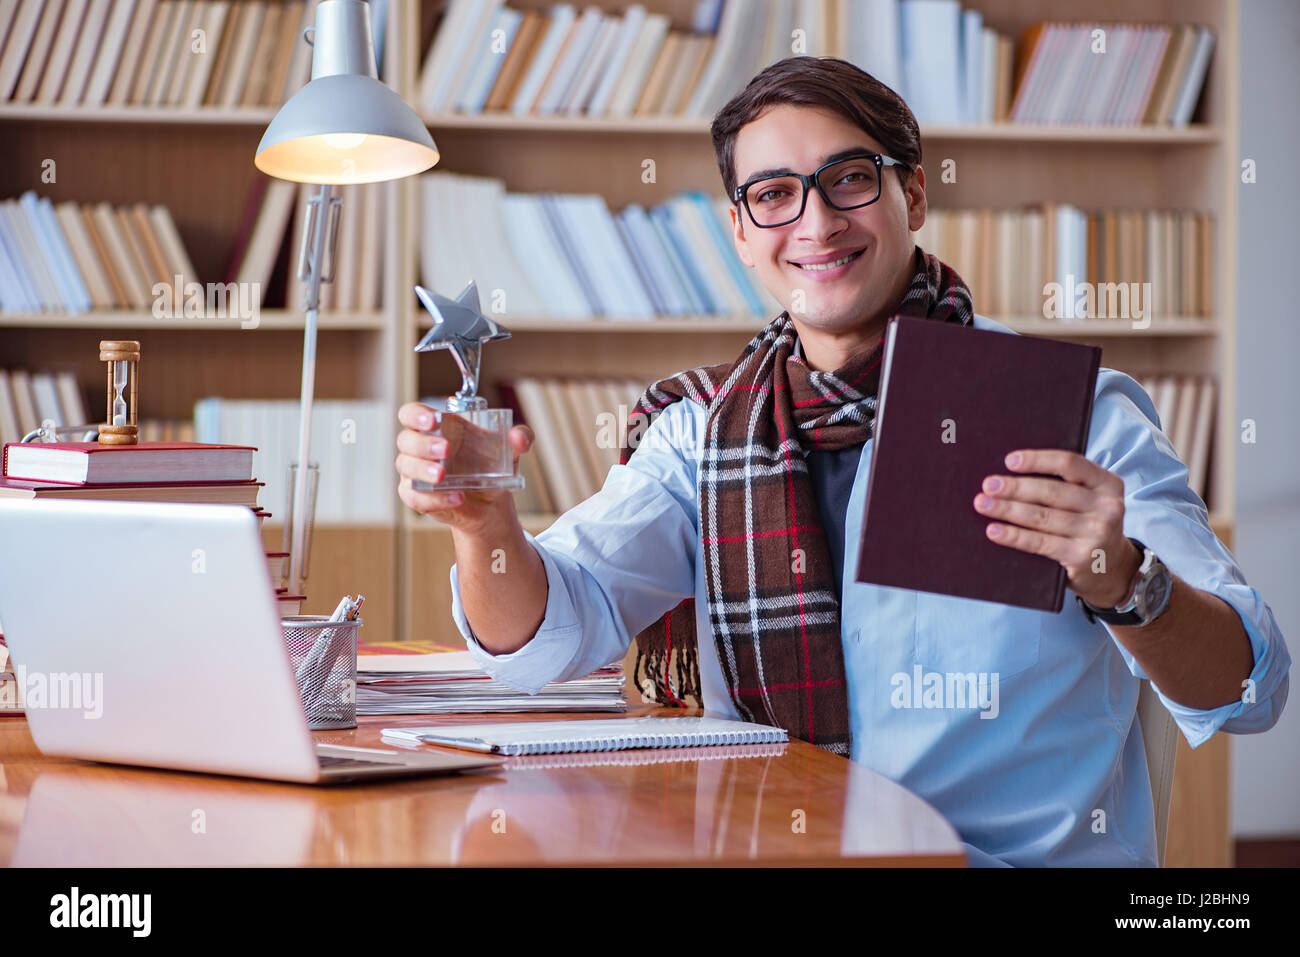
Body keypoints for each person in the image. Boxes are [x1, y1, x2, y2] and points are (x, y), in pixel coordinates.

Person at [392, 57, 1290, 866]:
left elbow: (1249, 687)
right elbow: (550, 634)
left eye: (849, 179)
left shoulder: (1072, 413)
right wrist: (485, 524)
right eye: (774, 194)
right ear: (741, 232)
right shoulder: (704, 431)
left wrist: (1122, 579)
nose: (815, 221)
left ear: (914, 197)